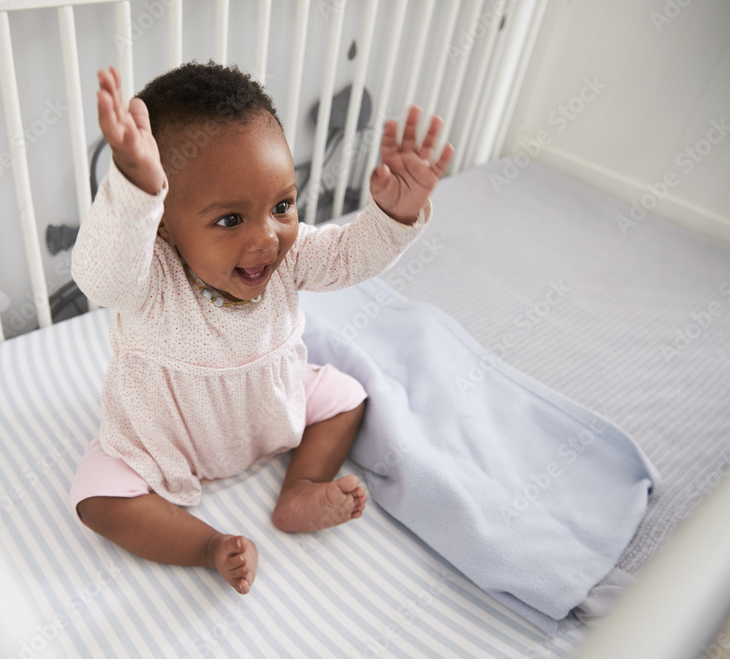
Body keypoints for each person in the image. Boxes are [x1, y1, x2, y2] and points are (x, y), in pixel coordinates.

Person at [70, 61, 452, 595]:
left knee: (345, 394)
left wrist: (392, 216)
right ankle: (203, 544)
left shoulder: (288, 258)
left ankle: (301, 488)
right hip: (169, 438)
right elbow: (99, 276)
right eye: (230, 220)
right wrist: (134, 193)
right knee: (96, 498)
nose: (267, 238)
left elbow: (347, 255)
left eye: (282, 205)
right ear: (164, 226)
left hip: (266, 412)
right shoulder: (151, 278)